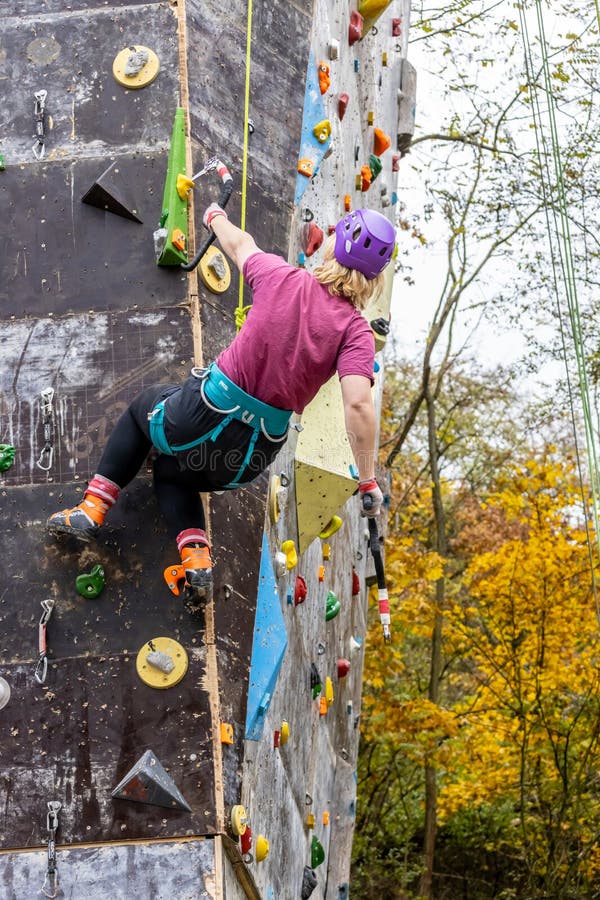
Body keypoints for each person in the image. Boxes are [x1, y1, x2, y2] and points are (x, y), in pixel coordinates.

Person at [47, 205, 395, 600]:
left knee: (142, 409)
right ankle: (196, 560)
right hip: (247, 459)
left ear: (333, 247)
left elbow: (241, 244)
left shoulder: (282, 276)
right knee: (173, 474)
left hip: (199, 416)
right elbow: (358, 405)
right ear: (374, 278)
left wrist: (214, 217)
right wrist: (366, 479)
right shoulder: (356, 332)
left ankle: (93, 507)